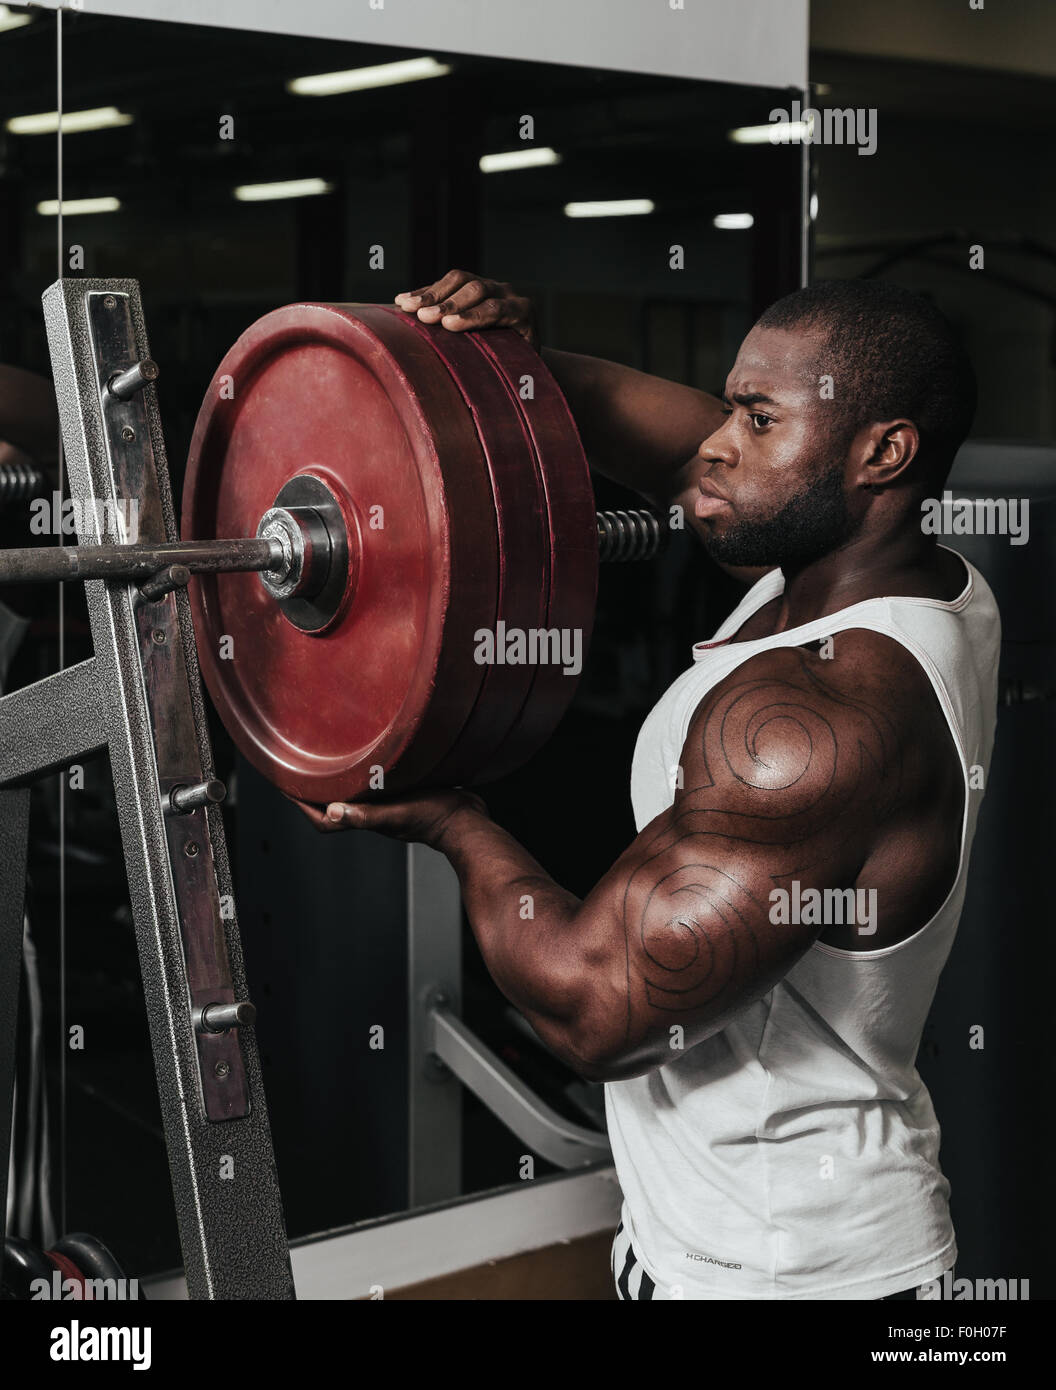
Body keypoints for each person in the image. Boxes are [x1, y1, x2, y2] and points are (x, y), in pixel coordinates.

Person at [297, 272, 1000, 1300]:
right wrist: (509, 365)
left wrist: (456, 826)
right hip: (720, 1250)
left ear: (883, 452)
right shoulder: (865, 566)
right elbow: (682, 455)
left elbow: (597, 1013)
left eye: (759, 420)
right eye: (729, 405)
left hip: (794, 1277)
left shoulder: (823, 721)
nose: (719, 441)